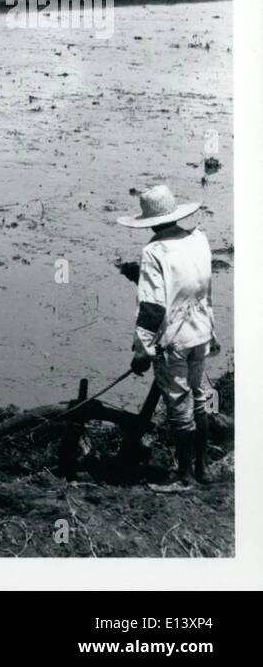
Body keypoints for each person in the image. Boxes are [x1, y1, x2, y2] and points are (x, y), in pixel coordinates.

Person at [118, 185, 216, 491]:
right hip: (201, 330)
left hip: (173, 340)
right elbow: (198, 284)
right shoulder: (197, 238)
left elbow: (152, 308)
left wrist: (142, 352)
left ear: (148, 221)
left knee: (179, 405)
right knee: (199, 398)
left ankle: (183, 477)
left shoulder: (154, 251)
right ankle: (201, 469)